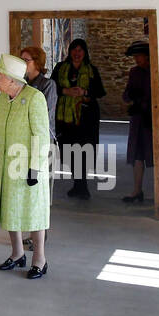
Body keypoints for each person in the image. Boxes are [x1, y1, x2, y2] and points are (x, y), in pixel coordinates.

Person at [0, 53, 50, 279]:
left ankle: (39, 260)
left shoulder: (35, 98)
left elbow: (42, 137)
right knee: (10, 210)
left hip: (29, 166)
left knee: (34, 213)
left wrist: (35, 167)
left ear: (12, 80)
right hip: (7, 164)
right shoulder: (4, 98)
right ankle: (17, 254)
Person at [52, 38, 104, 199]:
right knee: (68, 150)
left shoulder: (91, 70)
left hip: (86, 118)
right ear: (70, 51)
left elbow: (100, 91)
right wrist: (66, 91)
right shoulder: (60, 68)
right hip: (65, 119)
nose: (77, 53)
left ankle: (82, 185)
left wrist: (84, 93)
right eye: (74, 49)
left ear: (84, 52)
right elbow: (52, 86)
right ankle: (78, 183)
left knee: (84, 150)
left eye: (80, 50)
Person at [19, 46, 57, 250]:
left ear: (37, 63)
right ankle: (32, 234)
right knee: (28, 192)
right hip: (24, 144)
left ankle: (40, 237)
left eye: (26, 60)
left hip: (43, 144)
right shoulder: (22, 84)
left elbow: (44, 116)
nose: (23, 63)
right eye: (21, 59)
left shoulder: (48, 85)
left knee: (42, 193)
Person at [122, 40, 153, 203]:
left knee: (155, 153)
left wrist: (144, 102)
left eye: (138, 56)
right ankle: (137, 190)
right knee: (137, 155)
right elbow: (126, 94)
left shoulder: (154, 71)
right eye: (135, 56)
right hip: (138, 119)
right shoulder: (134, 72)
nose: (136, 59)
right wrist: (131, 97)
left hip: (151, 118)